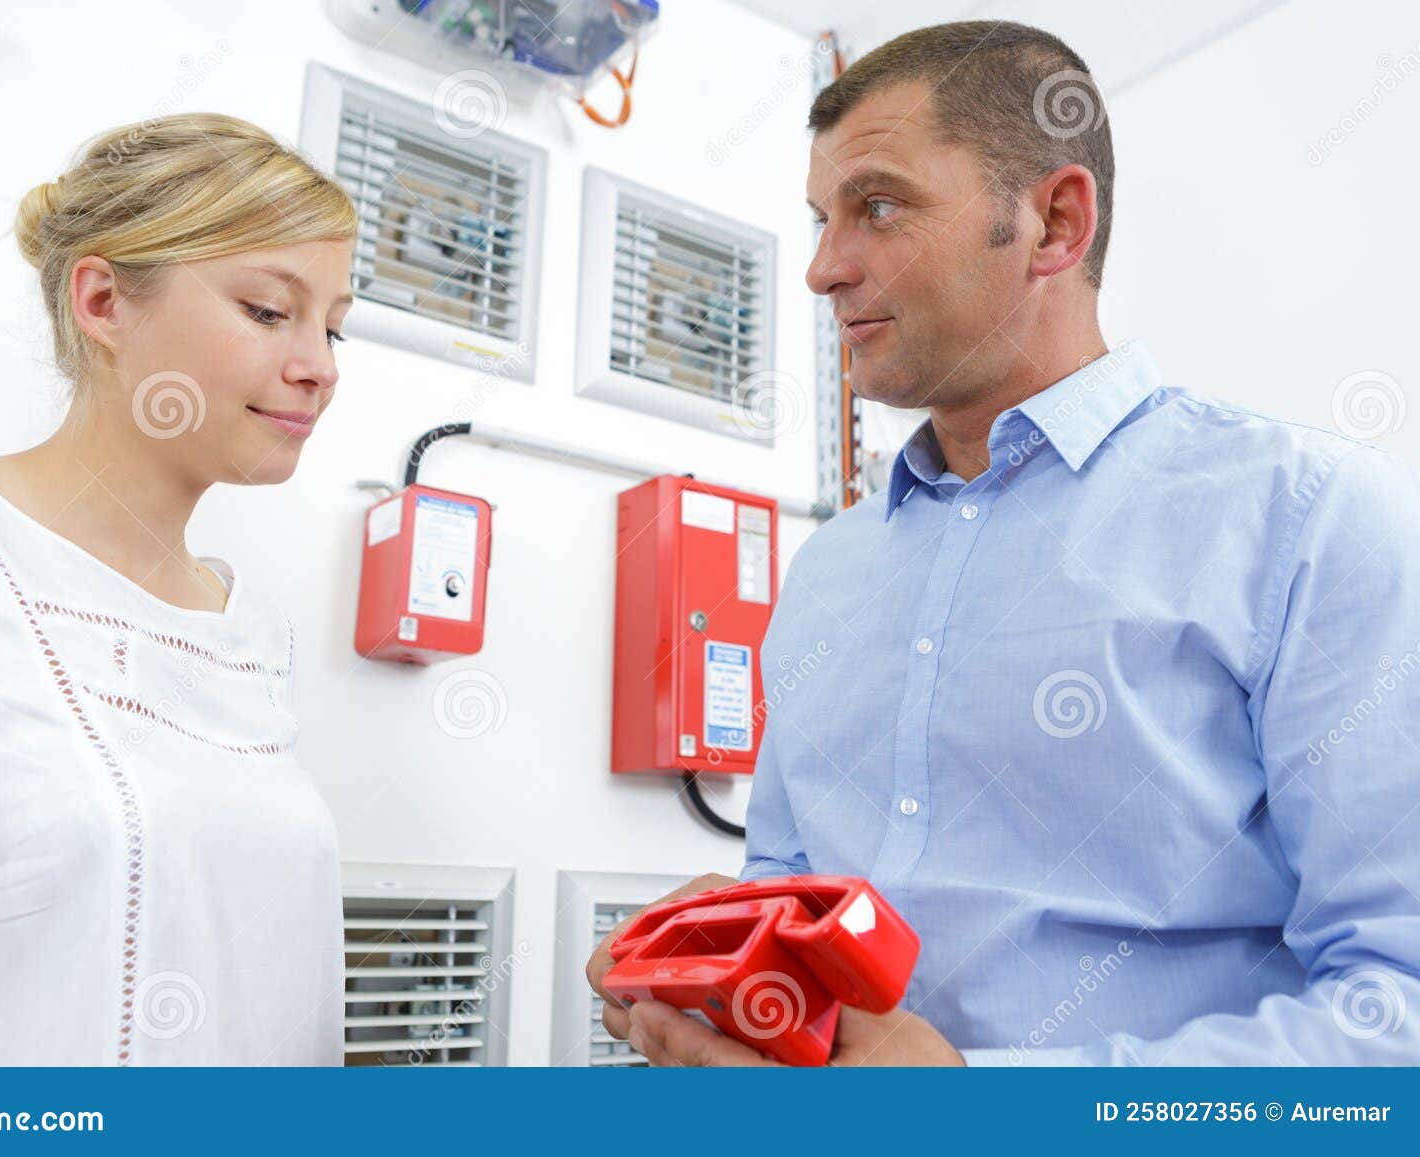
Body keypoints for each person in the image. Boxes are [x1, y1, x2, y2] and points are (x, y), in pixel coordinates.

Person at [590, 20, 1420, 1066]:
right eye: (818, 218)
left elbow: (1398, 1013)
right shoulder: (829, 572)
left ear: (1054, 223)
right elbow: (797, 913)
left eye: (877, 206)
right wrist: (721, 958)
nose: (820, 268)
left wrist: (977, 1103)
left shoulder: (1313, 521)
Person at [0, 113, 358, 1064]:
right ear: (104, 301)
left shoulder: (248, 628)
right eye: (270, 311)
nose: (318, 366)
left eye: (335, 325)